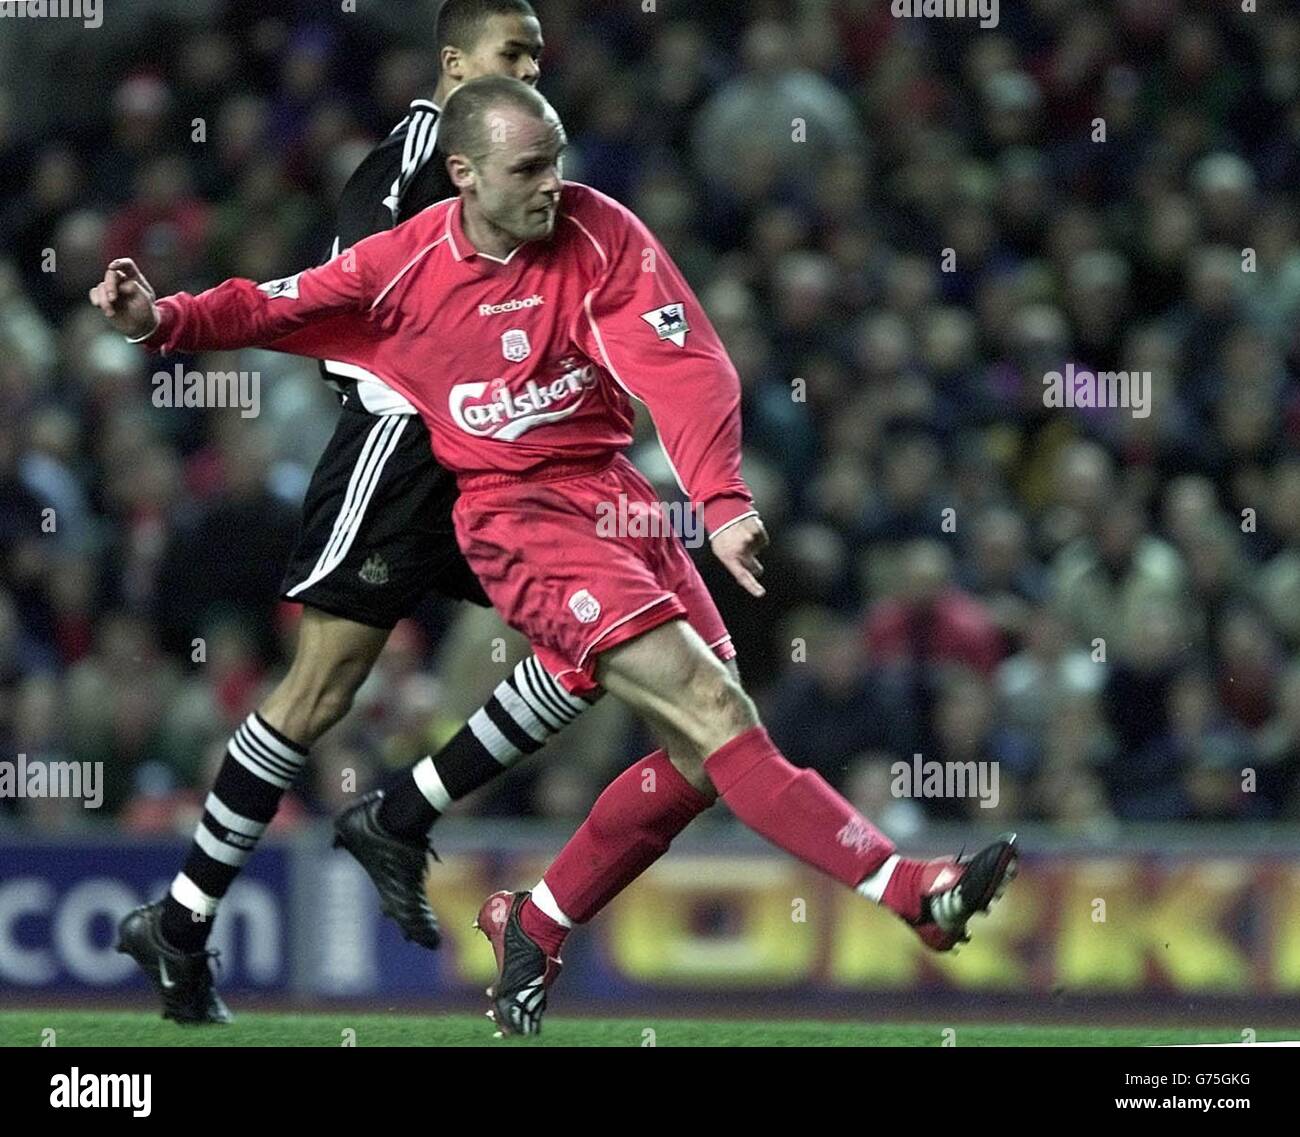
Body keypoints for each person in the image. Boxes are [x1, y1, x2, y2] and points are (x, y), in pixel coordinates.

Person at [91, 77, 1019, 1038]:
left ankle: (533, 921)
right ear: (463, 174)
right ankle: (910, 888)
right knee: (715, 713)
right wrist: (161, 321)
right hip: (519, 518)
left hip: (619, 500)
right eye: (528, 168)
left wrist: (719, 496)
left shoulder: (599, 229)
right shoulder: (401, 268)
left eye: (557, 161)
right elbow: (272, 305)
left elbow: (688, 365)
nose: (551, 184)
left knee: (701, 759)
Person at [112, 0, 602, 1027]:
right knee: (320, 690)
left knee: (595, 638)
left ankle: (400, 812)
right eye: (511, 52)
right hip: (402, 450)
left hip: (491, 453)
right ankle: (183, 924)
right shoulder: (417, 152)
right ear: (453, 61)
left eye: (537, 57)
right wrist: (170, 318)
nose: (528, 69)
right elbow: (351, 289)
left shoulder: (530, 173)